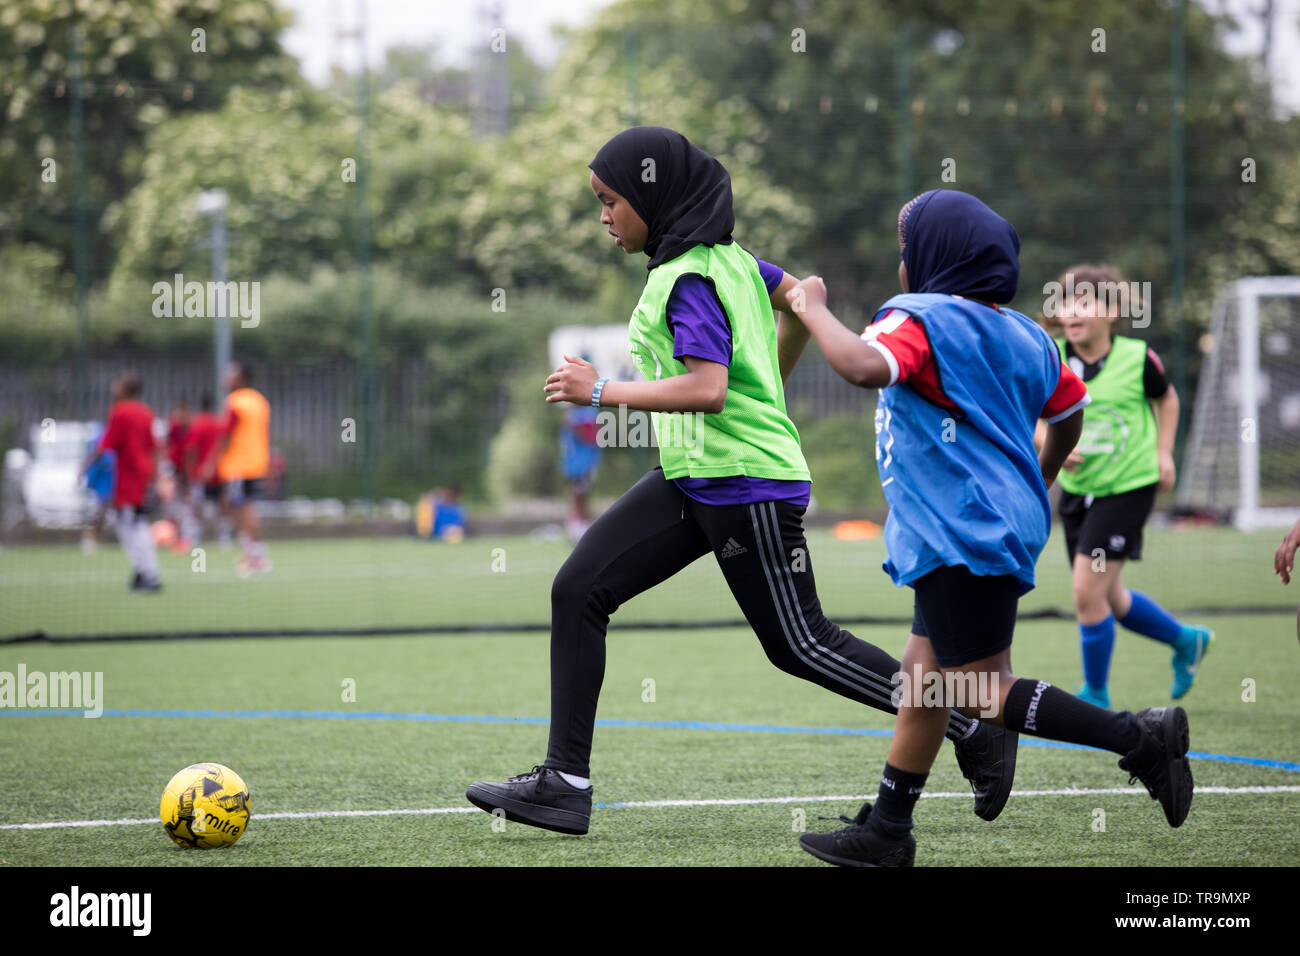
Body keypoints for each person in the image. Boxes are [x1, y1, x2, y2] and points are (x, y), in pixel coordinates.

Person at [465, 128, 1017, 838]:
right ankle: (564, 784)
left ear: (655, 197)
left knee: (802, 644)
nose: (603, 216)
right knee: (579, 588)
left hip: (745, 485)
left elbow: (707, 389)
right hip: (695, 479)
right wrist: (774, 383)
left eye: (610, 201)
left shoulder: (691, 278)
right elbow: (798, 297)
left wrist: (599, 390)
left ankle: (971, 723)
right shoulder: (733, 263)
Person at [790, 189, 1193, 867]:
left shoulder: (917, 319)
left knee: (975, 689)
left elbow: (862, 366)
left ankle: (1139, 738)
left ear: (932, 258)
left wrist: (814, 309)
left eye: (904, 251)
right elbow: (1069, 411)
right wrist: (1039, 476)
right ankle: (888, 831)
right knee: (925, 683)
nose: (900, 265)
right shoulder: (1026, 333)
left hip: (958, 534)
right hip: (988, 527)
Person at [1038, 264, 1212, 708]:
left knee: (1085, 591)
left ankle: (1094, 695)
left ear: (1113, 311)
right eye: (1065, 302)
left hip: (1129, 487)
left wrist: (1163, 453)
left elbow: (1167, 399)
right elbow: (1033, 413)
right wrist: (1047, 441)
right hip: (1079, 490)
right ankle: (1186, 640)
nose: (1071, 311)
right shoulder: (1049, 355)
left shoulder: (1138, 357)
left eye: (1085, 301)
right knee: (1109, 596)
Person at [82, 373, 162, 592]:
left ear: (125, 389)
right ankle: (143, 571)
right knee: (130, 521)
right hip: (141, 473)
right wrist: (156, 475)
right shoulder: (146, 412)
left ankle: (149, 574)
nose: (113, 386)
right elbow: (153, 447)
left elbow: (105, 445)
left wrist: (84, 466)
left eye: (118, 383)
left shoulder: (119, 412)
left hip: (129, 475)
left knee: (133, 523)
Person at [201, 363, 271, 576]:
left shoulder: (236, 402)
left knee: (242, 509)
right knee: (240, 508)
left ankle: (256, 556)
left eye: (230, 374)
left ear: (241, 378)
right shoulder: (259, 401)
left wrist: (210, 462)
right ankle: (253, 554)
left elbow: (226, 435)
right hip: (256, 462)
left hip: (238, 465)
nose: (226, 377)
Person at [559, 399, 603, 541]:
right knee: (574, 494)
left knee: (581, 495)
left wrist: (574, 427)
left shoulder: (588, 414)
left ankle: (587, 527)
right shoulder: (571, 414)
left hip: (584, 462)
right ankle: (578, 524)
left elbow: (591, 437)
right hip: (572, 462)